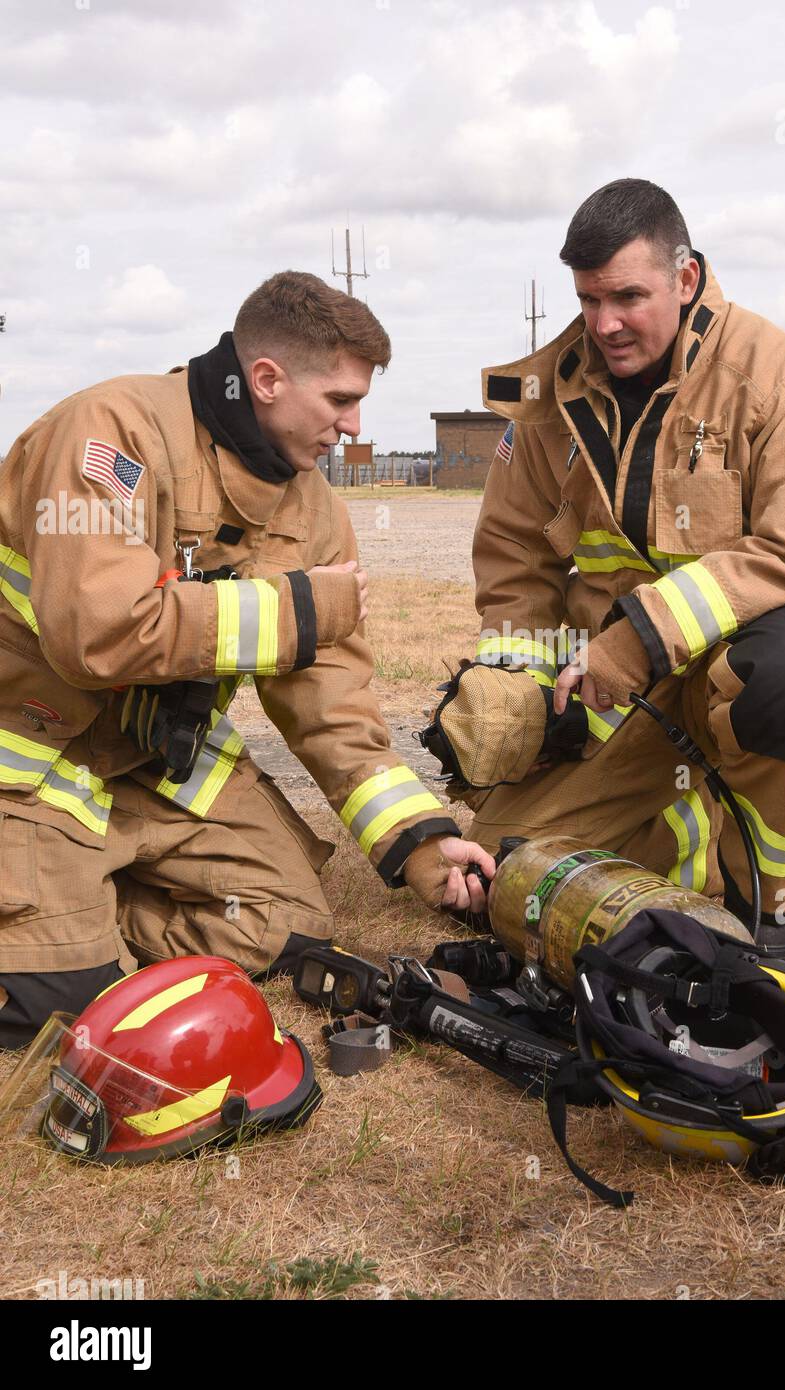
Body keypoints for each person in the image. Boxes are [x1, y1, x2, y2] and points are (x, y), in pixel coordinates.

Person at [0, 270, 493, 1048]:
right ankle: (61, 916)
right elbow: (97, 635)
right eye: (338, 400)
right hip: (33, 760)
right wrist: (300, 608)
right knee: (59, 1004)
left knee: (288, 925)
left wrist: (421, 846)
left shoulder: (317, 512)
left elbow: (336, 706)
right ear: (266, 379)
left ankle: (85, 896)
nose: (353, 423)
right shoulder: (110, 435)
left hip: (148, 763)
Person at [464, 179, 785, 960]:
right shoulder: (547, 400)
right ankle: (692, 844)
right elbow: (515, 560)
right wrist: (521, 683)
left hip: (745, 671)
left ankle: (773, 912)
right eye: (589, 300)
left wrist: (640, 637)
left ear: (686, 278)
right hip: (622, 693)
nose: (604, 324)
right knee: (504, 871)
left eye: (628, 296)